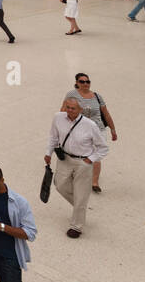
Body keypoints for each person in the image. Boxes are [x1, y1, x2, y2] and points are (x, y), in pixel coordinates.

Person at [45, 97, 109, 238]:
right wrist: (48, 153)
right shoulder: (58, 117)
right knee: (60, 186)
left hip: (83, 164)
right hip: (64, 159)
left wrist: (90, 159)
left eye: (72, 108)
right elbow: (53, 137)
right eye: (67, 107)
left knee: (81, 196)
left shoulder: (90, 125)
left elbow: (103, 148)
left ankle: (76, 226)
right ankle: (80, 208)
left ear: (80, 110)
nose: (69, 110)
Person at [65, 72, 117, 194]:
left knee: (97, 155)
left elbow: (106, 114)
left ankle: (95, 182)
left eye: (88, 81)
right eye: (82, 81)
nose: (85, 84)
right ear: (77, 83)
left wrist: (113, 129)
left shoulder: (97, 96)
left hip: (98, 129)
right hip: (80, 129)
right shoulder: (72, 95)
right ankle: (76, 176)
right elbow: (64, 110)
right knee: (79, 153)